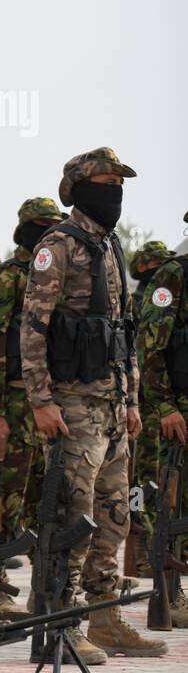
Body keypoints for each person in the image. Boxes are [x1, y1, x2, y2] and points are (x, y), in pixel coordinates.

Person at [20, 147, 165, 660]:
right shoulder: (58, 245)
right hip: (72, 403)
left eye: (119, 182)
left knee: (115, 516)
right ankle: (61, 625)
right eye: (105, 181)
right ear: (79, 186)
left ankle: (105, 619)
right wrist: (40, 400)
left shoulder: (110, 247)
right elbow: (33, 327)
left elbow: (120, 332)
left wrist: (130, 398)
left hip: (110, 407)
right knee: (72, 519)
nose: (114, 191)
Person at [0, 197, 66, 619]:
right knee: (2, 498)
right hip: (11, 406)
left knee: (45, 502)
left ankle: (43, 587)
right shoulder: (6, 278)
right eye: (42, 225)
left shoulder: (57, 277)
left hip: (49, 406)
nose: (50, 232)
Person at [133, 218, 188, 626]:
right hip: (178, 407)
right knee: (173, 499)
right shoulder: (174, 273)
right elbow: (151, 341)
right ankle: (170, 593)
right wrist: (165, 405)